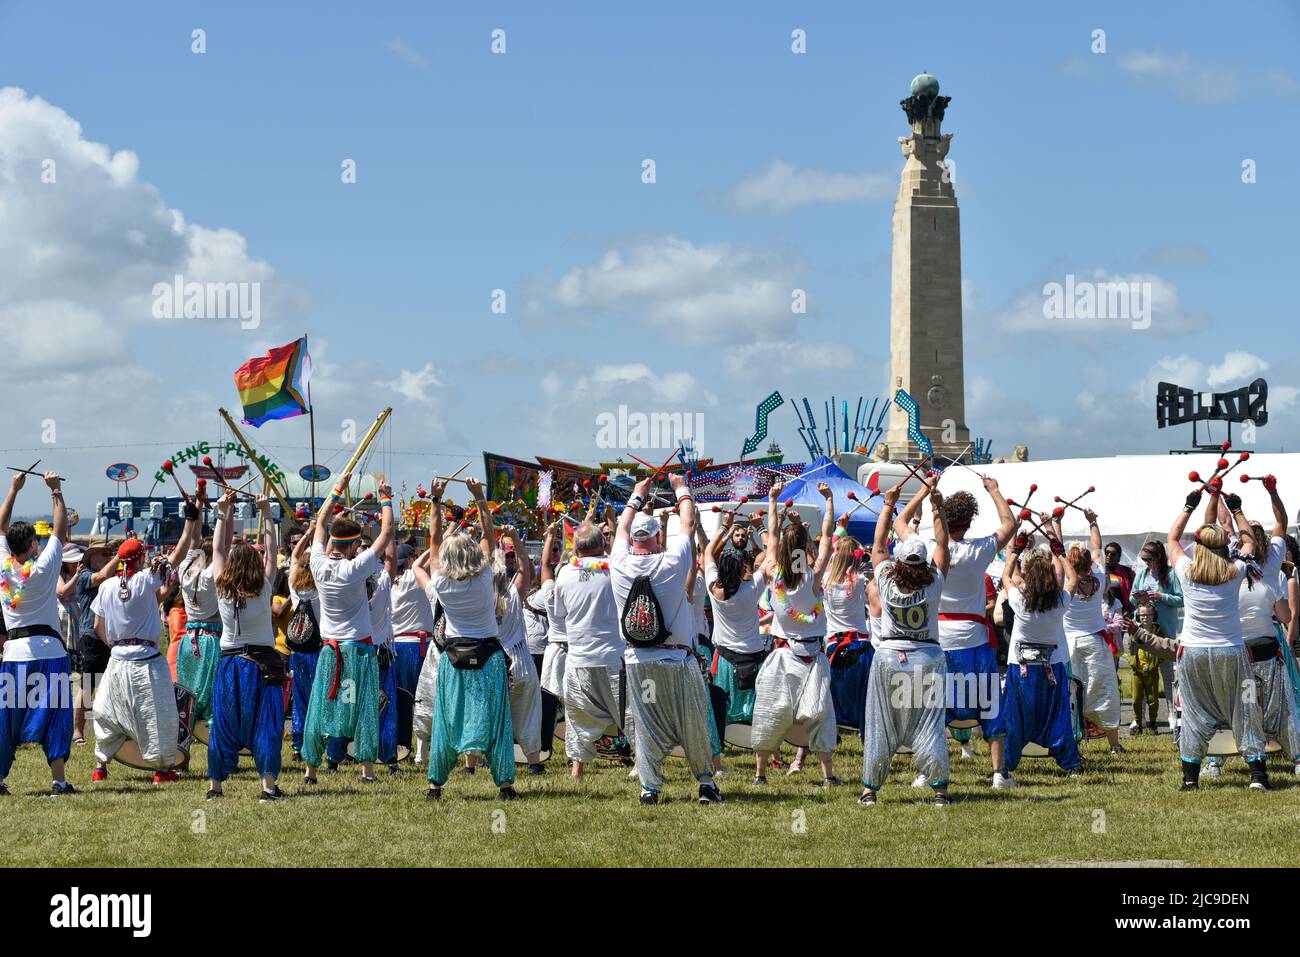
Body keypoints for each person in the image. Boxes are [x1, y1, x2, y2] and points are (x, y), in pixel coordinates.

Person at [610, 473, 721, 805]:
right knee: (693, 722)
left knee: (646, 725)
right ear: (658, 538)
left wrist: (635, 495)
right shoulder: (671, 562)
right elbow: (688, 525)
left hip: (638, 661)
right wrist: (680, 488)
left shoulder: (618, 563)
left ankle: (650, 788)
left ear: (633, 541)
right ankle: (705, 784)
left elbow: (619, 530)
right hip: (677, 660)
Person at [899, 474, 1016, 781]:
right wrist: (994, 489)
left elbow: (900, 522)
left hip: (936, 639)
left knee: (931, 707)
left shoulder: (924, 548)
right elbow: (1009, 524)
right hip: (974, 639)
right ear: (969, 521)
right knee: (989, 703)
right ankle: (999, 773)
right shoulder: (981, 549)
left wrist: (924, 493)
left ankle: (927, 772)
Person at [1166, 488, 1268, 790]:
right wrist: (1237, 510)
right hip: (1231, 651)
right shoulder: (1235, 570)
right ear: (1225, 546)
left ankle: (1190, 779)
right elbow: (1248, 541)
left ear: (1198, 546)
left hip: (1193, 651)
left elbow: (1172, 539)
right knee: (1244, 706)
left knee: (1194, 710)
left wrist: (1188, 506)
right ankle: (1257, 777)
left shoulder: (1187, 571)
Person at [423, 477, 518, 800]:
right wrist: (479, 497)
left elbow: (435, 539)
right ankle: (505, 784)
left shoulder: (440, 583)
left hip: (453, 659)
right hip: (489, 657)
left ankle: (435, 784)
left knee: (447, 720)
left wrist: (436, 499)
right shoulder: (484, 579)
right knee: (497, 720)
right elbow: (489, 536)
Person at [860, 479, 951, 806]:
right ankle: (939, 790)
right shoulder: (935, 581)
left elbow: (878, 544)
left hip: (889, 656)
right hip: (927, 656)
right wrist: (937, 506)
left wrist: (888, 504)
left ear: (900, 561)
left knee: (880, 724)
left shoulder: (884, 578)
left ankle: (870, 789)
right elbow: (944, 544)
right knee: (930, 724)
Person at [301, 474, 395, 785]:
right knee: (364, 707)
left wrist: (336, 489)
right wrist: (385, 498)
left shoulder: (317, 563)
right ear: (355, 544)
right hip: (359, 649)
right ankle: (367, 770)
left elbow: (319, 524)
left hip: (330, 649)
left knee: (320, 706)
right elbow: (387, 532)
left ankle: (310, 769)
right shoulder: (355, 568)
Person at [751, 480, 839, 788]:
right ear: (807, 547)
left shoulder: (775, 571)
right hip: (802, 655)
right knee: (819, 714)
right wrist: (828, 501)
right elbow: (828, 535)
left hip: (792, 654)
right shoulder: (812, 579)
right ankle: (826, 775)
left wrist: (773, 501)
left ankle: (761, 774)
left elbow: (772, 537)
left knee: (772, 711)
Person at [207, 493, 287, 801]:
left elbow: (216, 549)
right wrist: (266, 513)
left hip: (229, 662)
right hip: (262, 663)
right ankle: (267, 786)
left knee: (224, 721)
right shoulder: (265, 587)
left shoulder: (222, 588)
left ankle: (215, 786)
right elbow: (273, 550)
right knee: (265, 722)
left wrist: (223, 513)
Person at [0, 470, 75, 795]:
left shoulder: (4, 567)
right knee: (56, 715)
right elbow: (60, 531)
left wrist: (13, 490)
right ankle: (58, 781)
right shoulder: (43, 568)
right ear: (32, 544)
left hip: (14, 654)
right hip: (49, 652)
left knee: (6, 718)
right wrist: (55, 490)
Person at [90, 533, 186, 782]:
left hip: (117, 660)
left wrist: (114, 645)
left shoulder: (107, 586)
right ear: (141, 558)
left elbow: (98, 624)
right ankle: (162, 771)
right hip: (147, 660)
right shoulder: (145, 580)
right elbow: (179, 554)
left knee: (107, 711)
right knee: (157, 714)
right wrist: (192, 520)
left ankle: (100, 767)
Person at [995, 529, 1083, 779]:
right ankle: (1069, 763)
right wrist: (1061, 554)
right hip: (1051, 669)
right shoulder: (1059, 602)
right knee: (1057, 715)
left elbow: (1006, 578)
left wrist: (1015, 552)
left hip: (1020, 669)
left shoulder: (1020, 601)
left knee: (1015, 717)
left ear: (1028, 576)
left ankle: (1007, 766)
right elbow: (1073, 580)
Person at [553, 520, 625, 778]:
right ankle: (641, 764)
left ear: (575, 547)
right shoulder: (615, 570)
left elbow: (560, 614)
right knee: (628, 713)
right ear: (602, 543)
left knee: (578, 716)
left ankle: (578, 769)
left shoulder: (564, 574)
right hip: (612, 656)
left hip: (580, 656)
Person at [1059, 508, 1124, 754]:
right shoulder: (1099, 575)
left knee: (1071, 692)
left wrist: (1056, 523)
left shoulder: (1065, 582)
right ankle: (1114, 744)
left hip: (1069, 642)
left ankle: (1072, 742)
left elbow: (1058, 551)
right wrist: (1093, 522)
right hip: (1096, 642)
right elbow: (1098, 547)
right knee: (1105, 690)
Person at [705, 511, 767, 741]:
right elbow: (771, 556)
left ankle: (721, 740)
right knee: (757, 704)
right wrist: (761, 527)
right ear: (742, 569)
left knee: (722, 702)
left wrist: (724, 527)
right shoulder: (751, 589)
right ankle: (759, 742)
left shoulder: (714, 588)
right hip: (752, 653)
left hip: (725, 656)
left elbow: (708, 552)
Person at [493, 524, 545, 774]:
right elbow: (528, 568)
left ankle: (476, 763)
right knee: (528, 714)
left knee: (490, 713)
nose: (510, 560)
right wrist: (514, 537)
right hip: (517, 656)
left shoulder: (478, 592)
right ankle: (533, 762)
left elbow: (526, 569)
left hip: (494, 657)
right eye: (507, 556)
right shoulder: (514, 591)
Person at [1130, 540, 1182, 736]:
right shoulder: (1142, 574)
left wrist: (1162, 596)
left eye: (1149, 559)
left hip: (1165, 633)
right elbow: (1131, 599)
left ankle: (1171, 714)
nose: (1146, 563)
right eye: (1143, 559)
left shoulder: (1170, 575)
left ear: (1159, 557)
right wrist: (1139, 598)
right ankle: (1139, 719)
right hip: (1142, 631)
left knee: (1168, 677)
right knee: (1141, 676)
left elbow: (1181, 599)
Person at [390, 542, 433, 761]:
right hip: (418, 646)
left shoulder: (388, 581)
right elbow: (432, 553)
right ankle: (421, 751)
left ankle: (401, 748)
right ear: (410, 560)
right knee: (422, 699)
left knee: (401, 700)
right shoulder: (413, 579)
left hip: (395, 645)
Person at [1127, 602, 1164, 735]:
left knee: (1152, 699)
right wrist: (1133, 664)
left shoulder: (1158, 630)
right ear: (1138, 616)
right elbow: (1131, 650)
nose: (1145, 618)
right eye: (1142, 615)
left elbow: (1162, 651)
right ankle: (1138, 723)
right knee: (1136, 699)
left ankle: (1153, 724)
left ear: (1153, 615)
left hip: (1152, 672)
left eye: (1148, 615)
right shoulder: (1135, 631)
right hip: (1137, 671)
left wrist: (1153, 665)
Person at [1103, 542, 1134, 609]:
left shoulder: (1128, 572)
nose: (1109, 555)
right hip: (1105, 611)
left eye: (1113, 554)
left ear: (1119, 557)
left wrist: (1130, 609)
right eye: (1107, 553)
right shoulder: (1098, 571)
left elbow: (1135, 592)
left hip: (1124, 612)